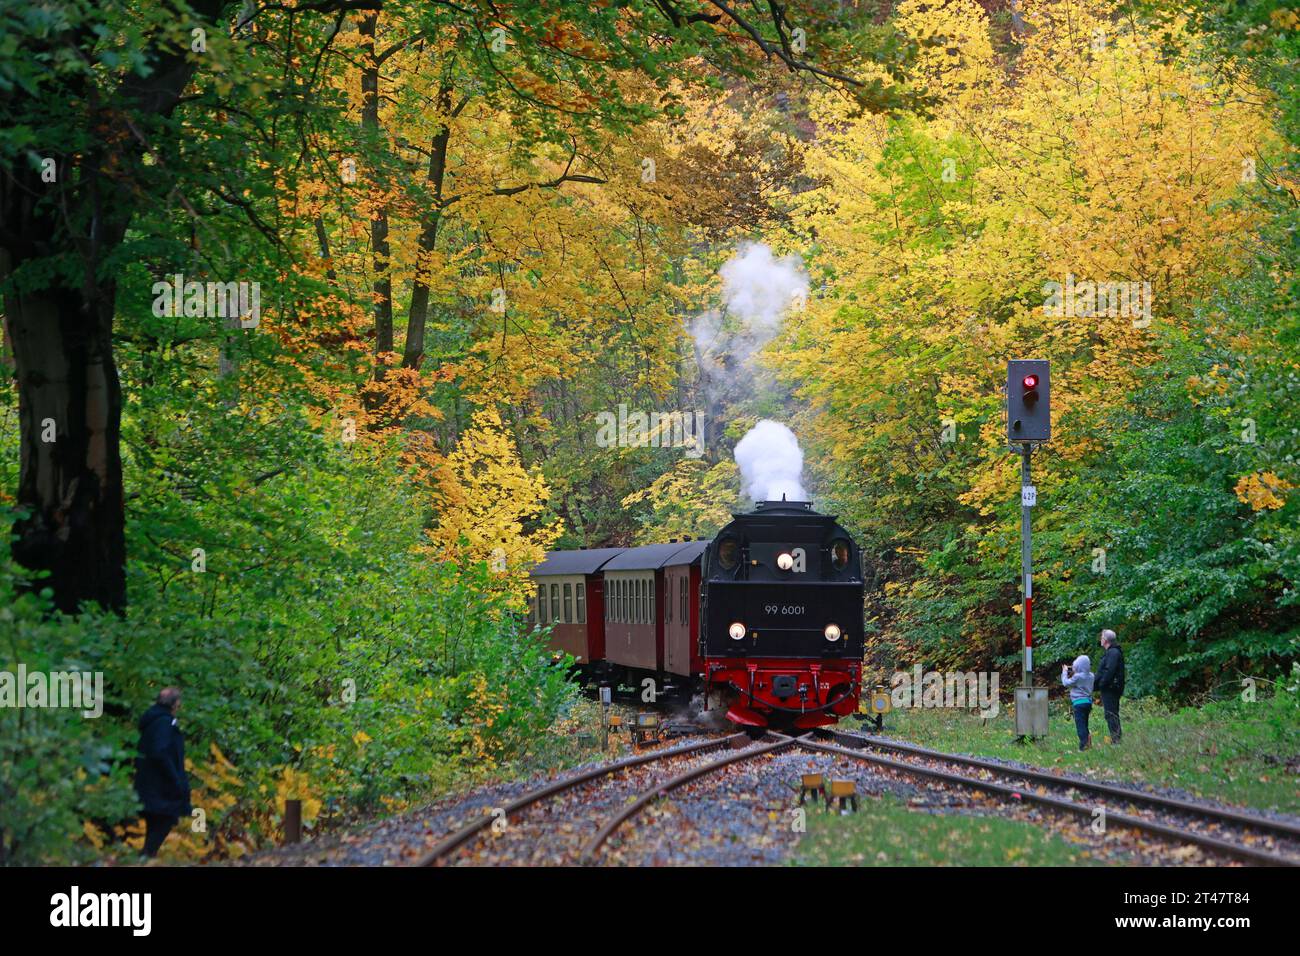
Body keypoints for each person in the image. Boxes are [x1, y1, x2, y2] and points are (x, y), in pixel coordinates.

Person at [134, 687, 191, 858]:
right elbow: (160, 751)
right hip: (162, 783)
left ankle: (146, 856)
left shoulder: (151, 721)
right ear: (175, 704)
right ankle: (146, 856)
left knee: (155, 820)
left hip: (148, 780)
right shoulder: (165, 723)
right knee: (167, 818)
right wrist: (175, 778)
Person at [1095, 629, 1125, 743]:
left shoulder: (1113, 653)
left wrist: (1101, 684)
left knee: (1111, 713)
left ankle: (1116, 739)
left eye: (1102, 637)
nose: (1101, 639)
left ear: (1106, 640)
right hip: (1111, 687)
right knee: (1111, 713)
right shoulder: (1112, 652)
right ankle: (1116, 738)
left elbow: (1109, 671)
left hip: (1111, 688)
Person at [1061, 655, 1094, 750]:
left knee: (1080, 726)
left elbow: (1065, 683)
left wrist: (1064, 672)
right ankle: (1088, 742)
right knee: (1085, 724)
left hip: (1078, 703)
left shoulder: (1077, 677)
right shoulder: (1091, 675)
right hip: (1088, 702)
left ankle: (1083, 746)